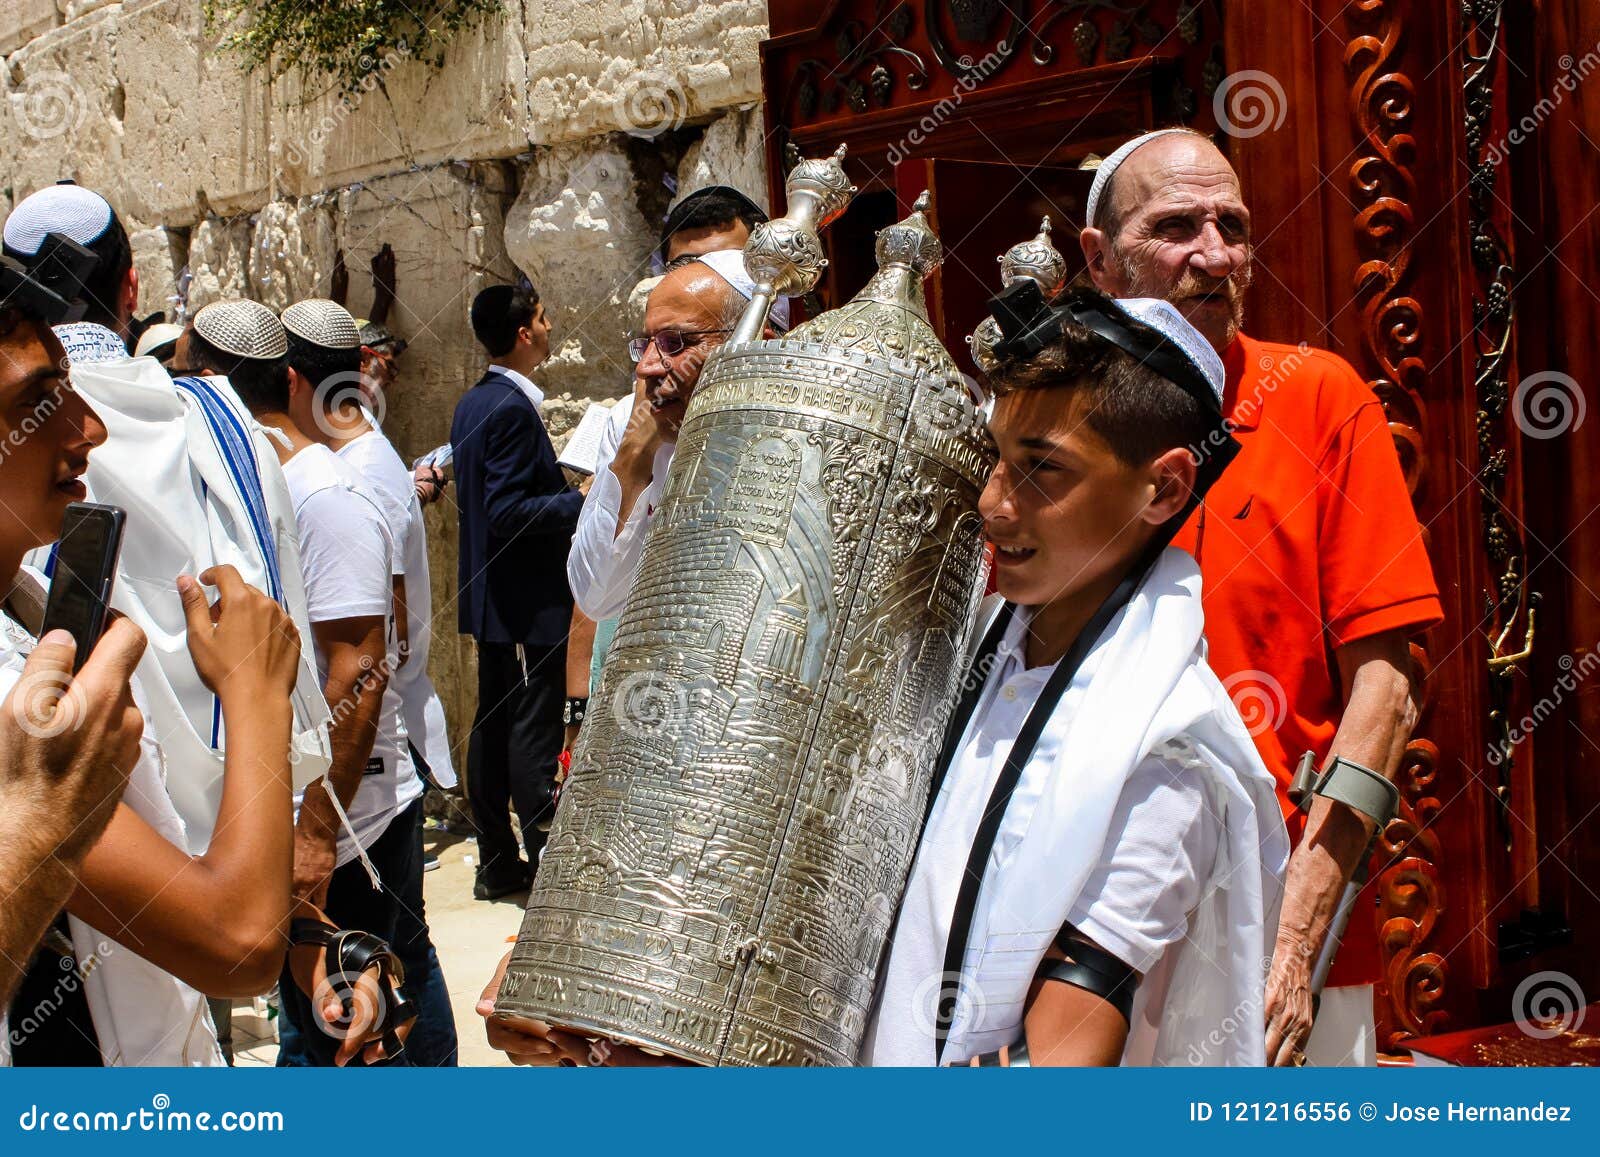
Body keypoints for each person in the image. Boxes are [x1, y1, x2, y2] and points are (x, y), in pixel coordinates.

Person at [479, 292, 1289, 1066]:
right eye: (997, 460)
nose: (995, 504)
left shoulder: (1165, 758)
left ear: (1166, 485)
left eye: (1042, 472)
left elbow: (1053, 1064)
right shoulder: (970, 644)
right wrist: (581, 977)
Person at [1079, 128, 1444, 1066]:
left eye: (1231, 225)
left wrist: (1295, 936)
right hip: (1088, 929)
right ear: (1099, 259)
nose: (1214, 254)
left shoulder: (1320, 398)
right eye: (1176, 227)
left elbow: (1388, 691)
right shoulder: (1057, 432)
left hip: (1282, 917)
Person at [0, 297, 316, 1067]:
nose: (88, 429)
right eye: (38, 403)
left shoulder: (35, 612)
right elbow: (235, 941)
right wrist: (255, 695)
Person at [3, 182, 333, 854]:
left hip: (104, 873)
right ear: (130, 289)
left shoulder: (33, 441)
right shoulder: (227, 425)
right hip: (230, 844)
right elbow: (288, 654)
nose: (84, 431)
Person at [180, 299, 417, 1067]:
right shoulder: (265, 485)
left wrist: (312, 840)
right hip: (305, 814)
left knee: (352, 1029)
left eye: (185, 378)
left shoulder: (322, 496)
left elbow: (361, 666)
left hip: (345, 820)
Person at [280, 297, 458, 1066]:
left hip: (367, 770)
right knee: (399, 960)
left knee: (364, 978)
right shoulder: (368, 458)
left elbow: (372, 640)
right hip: (371, 762)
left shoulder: (352, 476)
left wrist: (323, 821)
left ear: (294, 384)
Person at [450, 284, 583, 900]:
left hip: (496, 599)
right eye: (543, 314)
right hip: (524, 601)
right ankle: (539, 860)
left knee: (494, 724)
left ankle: (497, 861)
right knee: (531, 728)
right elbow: (506, 511)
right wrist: (574, 501)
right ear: (525, 333)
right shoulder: (508, 407)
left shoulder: (476, 403)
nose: (550, 324)